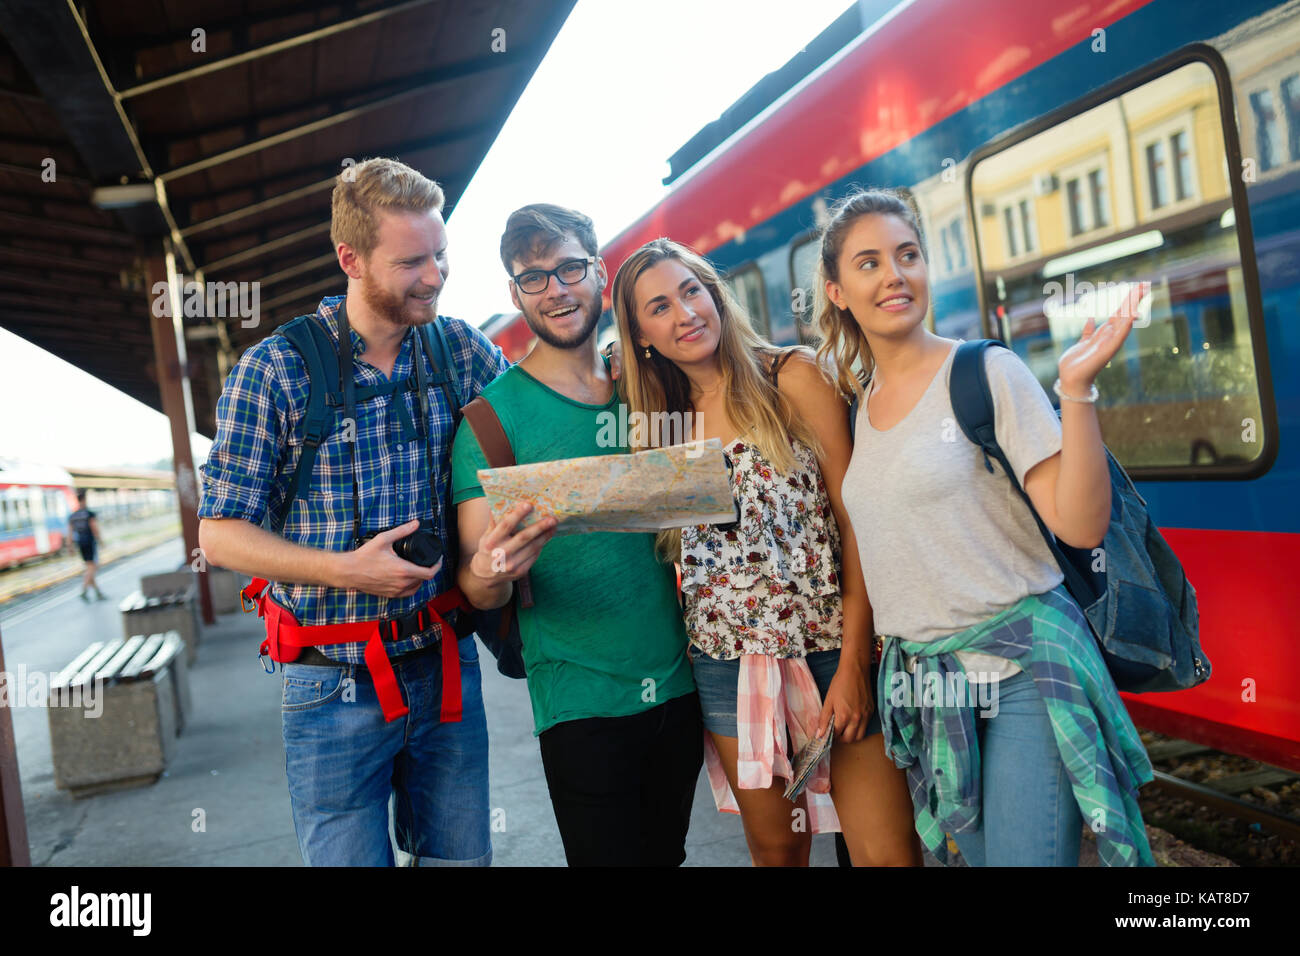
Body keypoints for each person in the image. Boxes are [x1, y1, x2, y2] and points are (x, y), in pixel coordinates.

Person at [814, 187, 1154, 866]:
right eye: (870, 263)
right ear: (837, 292)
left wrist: (1076, 391)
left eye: (907, 255)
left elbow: (1081, 525)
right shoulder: (860, 405)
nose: (895, 275)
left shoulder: (984, 371)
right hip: (929, 685)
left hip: (1024, 667)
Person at [198, 158, 509, 866]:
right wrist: (345, 571)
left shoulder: (458, 348)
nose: (434, 275)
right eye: (411, 262)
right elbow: (217, 534)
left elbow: (542, 412)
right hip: (329, 682)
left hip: (443, 663)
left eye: (440, 255)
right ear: (351, 258)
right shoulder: (275, 370)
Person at [611, 237, 920, 867]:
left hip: (833, 649)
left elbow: (856, 519)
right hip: (728, 665)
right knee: (779, 851)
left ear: (715, 294)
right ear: (641, 333)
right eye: (659, 307)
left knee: (885, 853)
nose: (684, 313)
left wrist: (859, 660)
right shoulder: (658, 425)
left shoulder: (793, 376)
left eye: (692, 291)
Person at [451, 204, 701, 867]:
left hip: (679, 684)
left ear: (599, 270)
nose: (556, 289)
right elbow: (477, 589)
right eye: (534, 277)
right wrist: (494, 568)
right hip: (577, 702)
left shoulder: (648, 387)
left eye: (569, 267)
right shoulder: (487, 423)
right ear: (514, 294)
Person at [67, 490, 104, 602]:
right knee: (92, 567)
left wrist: (70, 546)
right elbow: (94, 528)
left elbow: (70, 532)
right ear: (84, 499)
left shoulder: (73, 516)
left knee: (89, 566)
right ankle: (84, 590)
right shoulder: (89, 514)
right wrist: (100, 540)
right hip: (89, 541)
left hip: (80, 543)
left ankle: (98, 593)